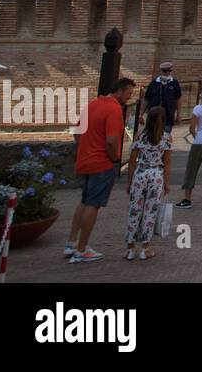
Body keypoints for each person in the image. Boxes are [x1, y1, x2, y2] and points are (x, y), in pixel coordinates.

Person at [66, 77, 136, 263]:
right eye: (129, 93)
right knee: (93, 204)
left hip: (85, 161)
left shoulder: (92, 104)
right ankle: (82, 249)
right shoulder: (113, 109)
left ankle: (71, 243)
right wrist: (114, 159)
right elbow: (112, 141)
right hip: (101, 164)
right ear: (120, 90)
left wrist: (84, 150)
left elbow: (76, 132)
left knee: (84, 200)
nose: (129, 98)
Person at [124, 106, 172, 260]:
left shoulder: (140, 136)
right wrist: (166, 183)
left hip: (140, 173)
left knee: (134, 210)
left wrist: (129, 180)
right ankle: (145, 247)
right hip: (156, 175)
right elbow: (167, 163)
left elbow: (132, 161)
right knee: (150, 211)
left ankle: (130, 248)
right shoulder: (166, 138)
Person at [144, 62, 184, 132]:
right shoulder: (153, 83)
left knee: (166, 135)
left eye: (169, 71)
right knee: (152, 134)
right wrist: (141, 114)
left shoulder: (175, 83)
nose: (167, 73)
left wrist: (178, 114)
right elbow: (146, 98)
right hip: (154, 116)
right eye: (165, 71)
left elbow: (178, 98)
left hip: (168, 115)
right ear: (161, 71)